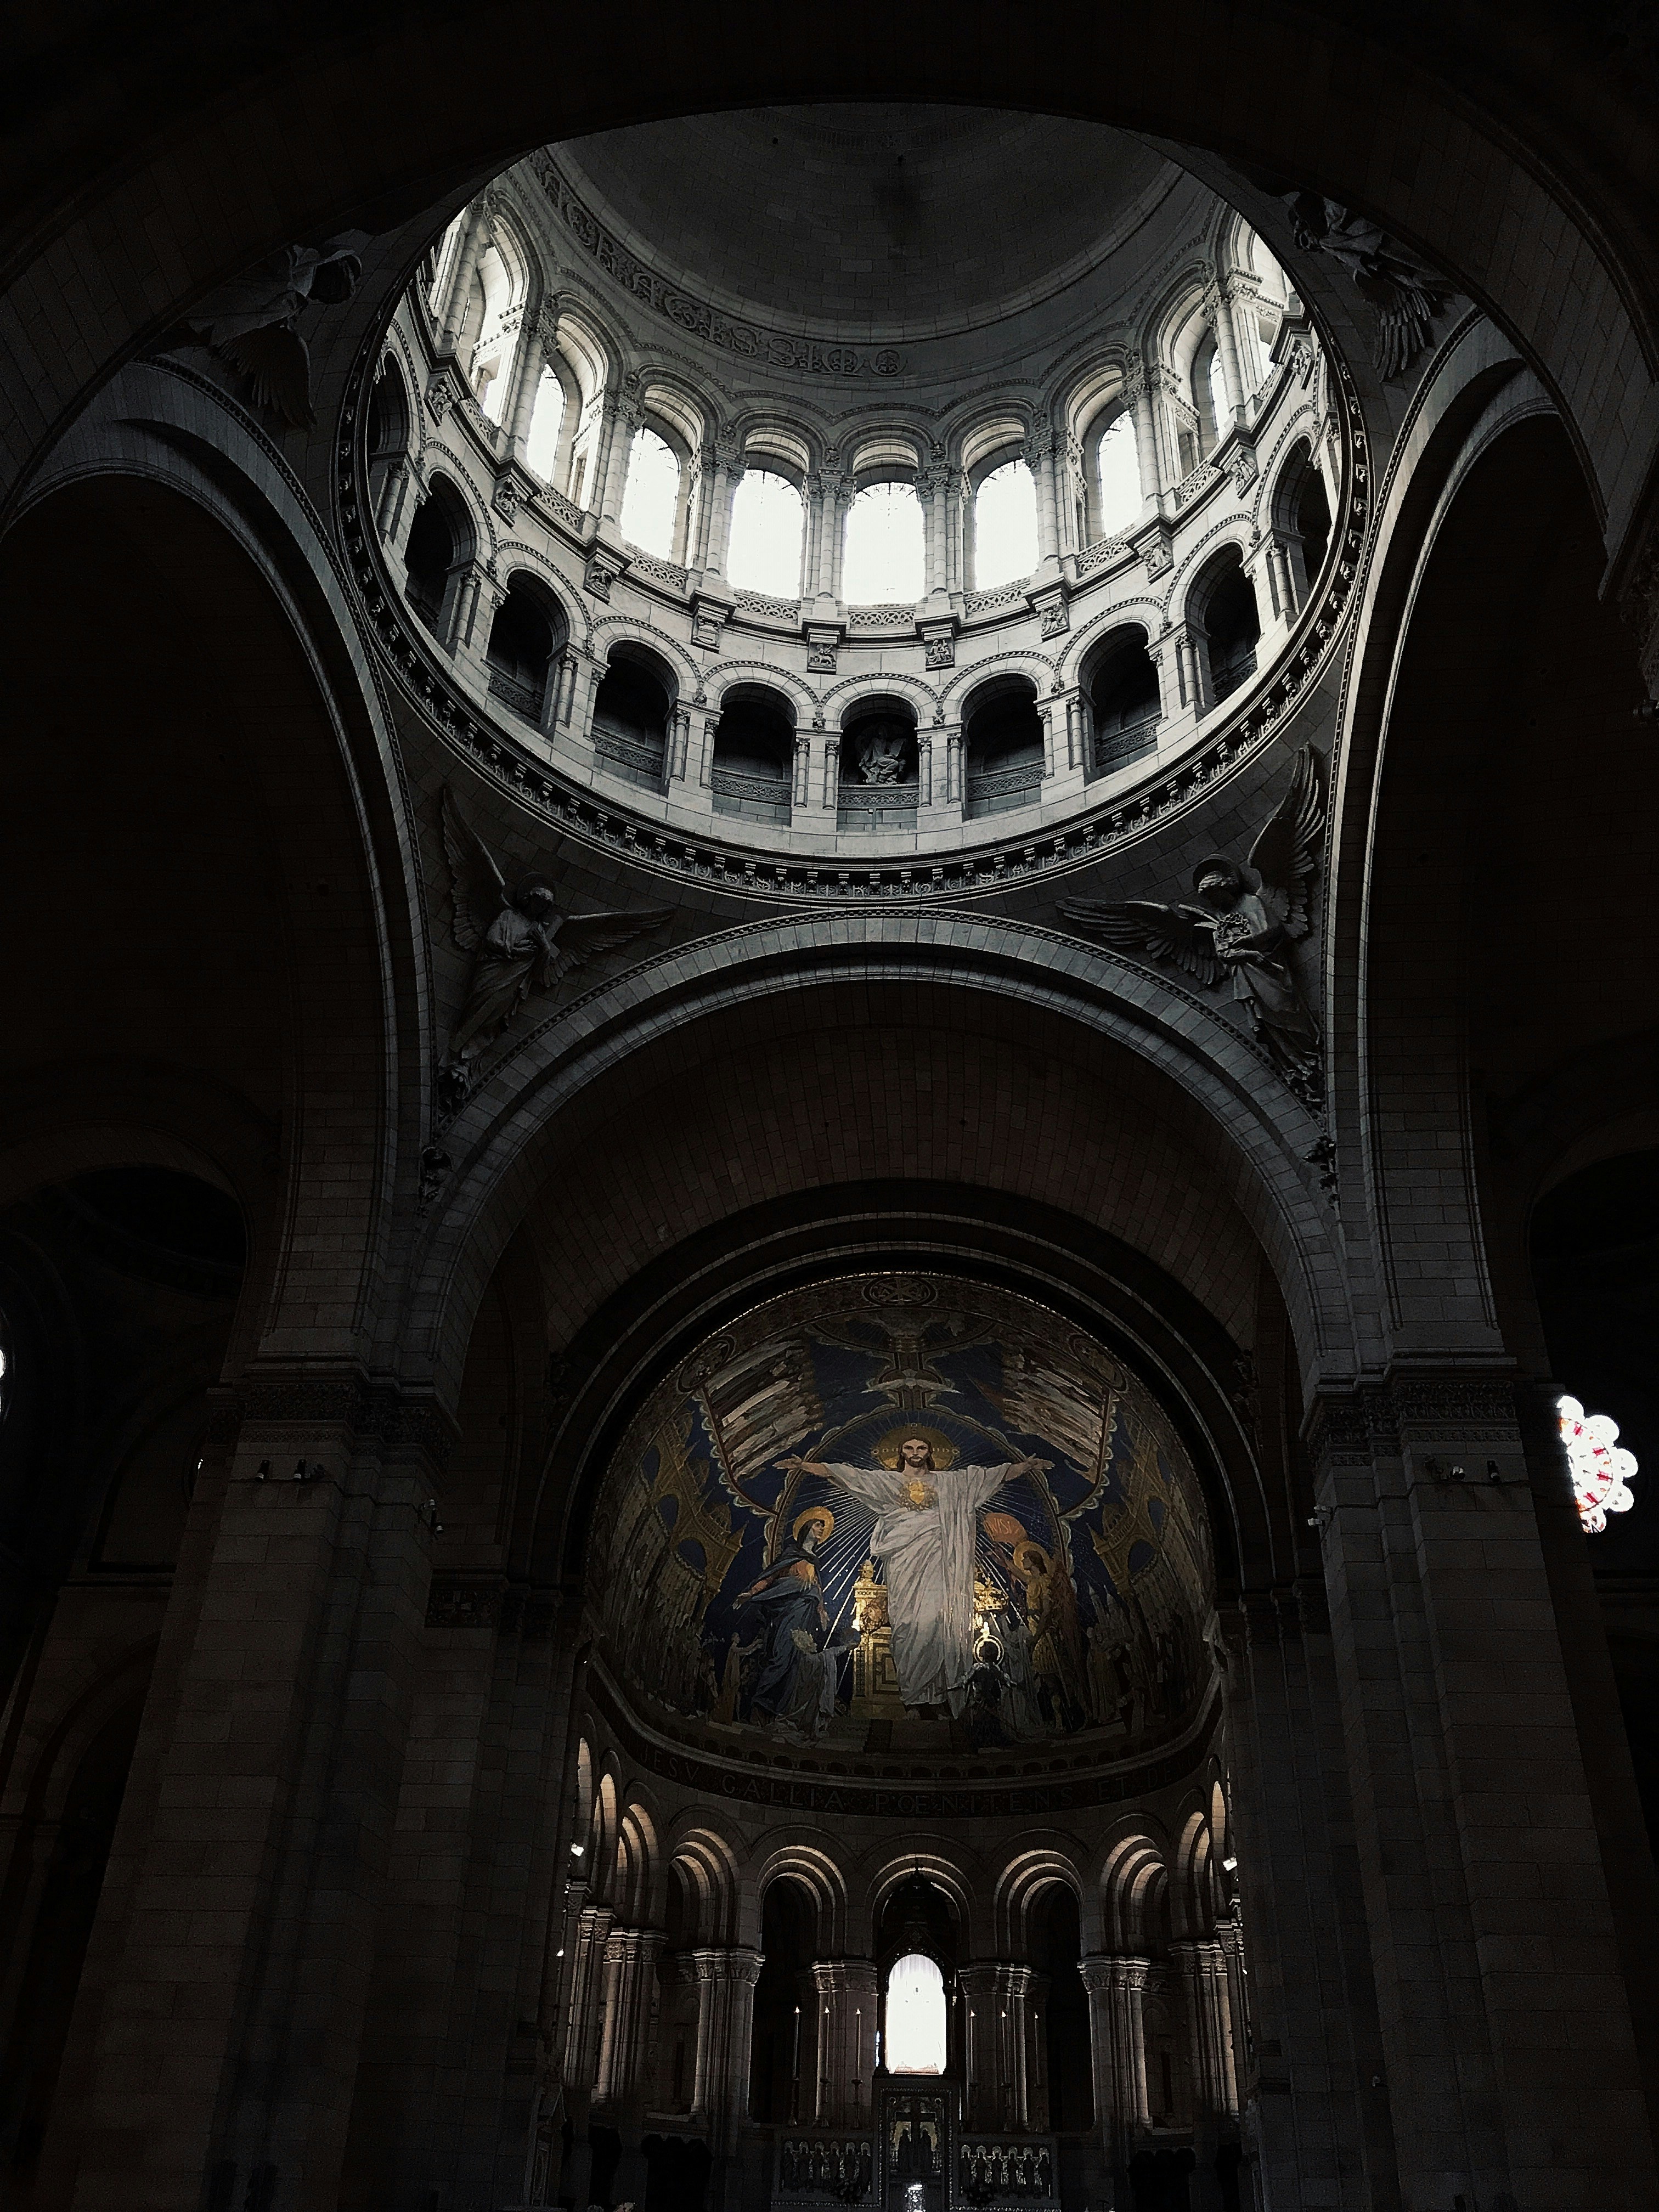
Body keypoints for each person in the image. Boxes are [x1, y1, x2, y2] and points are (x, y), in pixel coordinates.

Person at [777, 1437, 1050, 1717]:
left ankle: (939, 1698)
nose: (915, 1453)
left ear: (931, 1452)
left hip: (938, 1566)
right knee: (907, 1626)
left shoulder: (950, 1483)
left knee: (937, 1623)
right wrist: (804, 1466)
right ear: (901, 1453)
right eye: (909, 1448)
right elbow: (850, 1476)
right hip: (903, 1566)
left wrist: (1025, 1467)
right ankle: (914, 1699)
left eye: (921, 1448)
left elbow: (989, 1477)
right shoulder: (889, 1483)